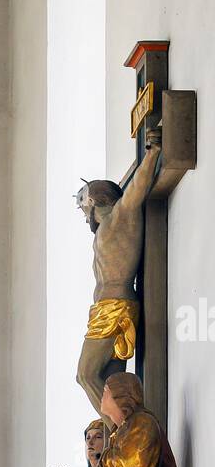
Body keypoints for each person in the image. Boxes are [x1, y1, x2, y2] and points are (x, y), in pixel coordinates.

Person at [75, 126, 160, 416]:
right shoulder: (105, 232)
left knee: (86, 375)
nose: (83, 212)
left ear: (94, 201)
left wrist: (154, 151)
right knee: (113, 384)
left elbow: (138, 187)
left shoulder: (121, 217)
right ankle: (120, 445)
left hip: (114, 307)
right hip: (107, 309)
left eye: (83, 203)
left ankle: (124, 434)